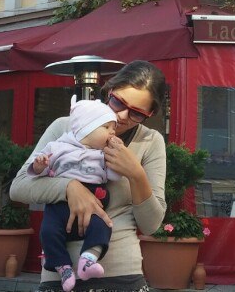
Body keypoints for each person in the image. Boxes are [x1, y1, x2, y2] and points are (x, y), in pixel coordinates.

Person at [11, 60, 168, 292]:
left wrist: (136, 174)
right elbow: (19, 187)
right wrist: (69, 187)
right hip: (59, 275)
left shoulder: (150, 141)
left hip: (121, 272)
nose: (122, 115)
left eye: (136, 113)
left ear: (150, 114)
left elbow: (151, 225)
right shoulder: (65, 127)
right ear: (109, 90)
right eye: (118, 102)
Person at [28, 99, 120, 292]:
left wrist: (117, 156)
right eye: (106, 127)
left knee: (103, 225)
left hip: (94, 201)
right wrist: (40, 165)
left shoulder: (102, 154)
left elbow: (114, 176)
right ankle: (63, 268)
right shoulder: (57, 147)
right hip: (59, 203)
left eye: (114, 128)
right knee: (48, 231)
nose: (112, 132)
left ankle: (88, 259)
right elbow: (36, 172)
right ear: (87, 128)